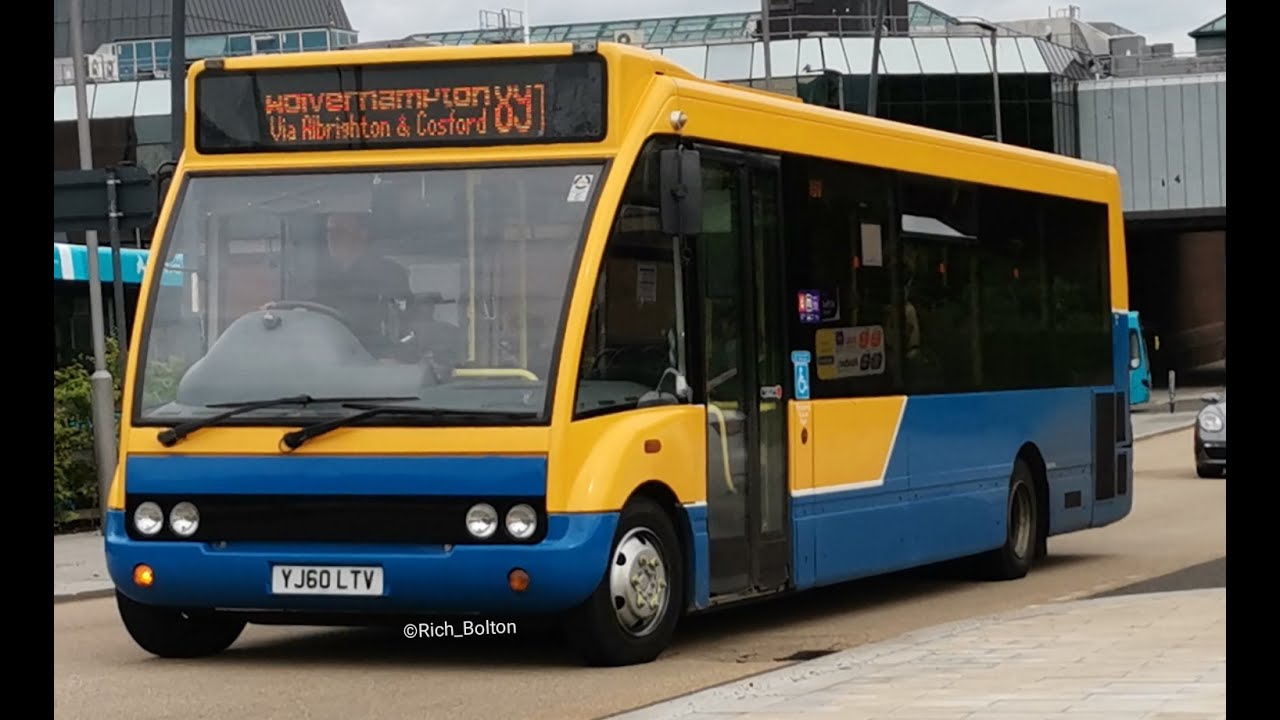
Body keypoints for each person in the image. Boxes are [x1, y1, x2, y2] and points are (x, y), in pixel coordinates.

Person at [315, 211, 413, 360]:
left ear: (362, 234)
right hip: (330, 361)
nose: (332, 238)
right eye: (329, 232)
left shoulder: (389, 273)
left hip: (376, 364)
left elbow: (406, 326)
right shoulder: (322, 278)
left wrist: (394, 357)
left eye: (339, 232)